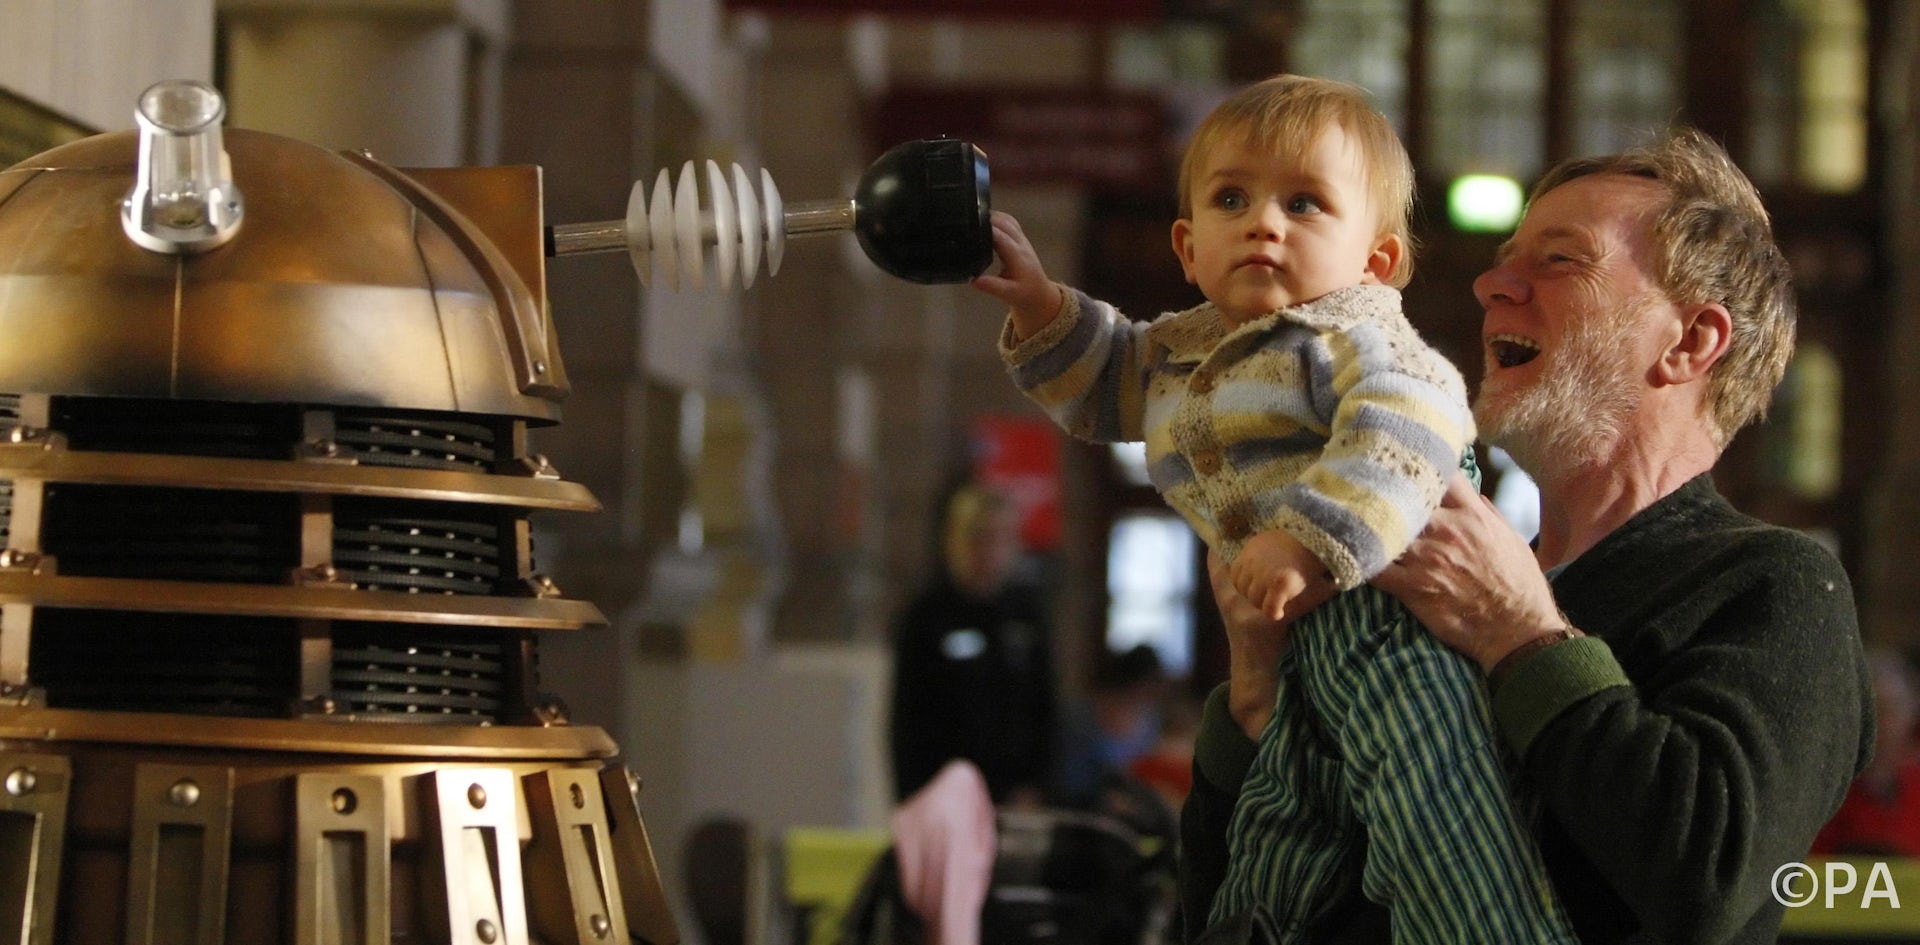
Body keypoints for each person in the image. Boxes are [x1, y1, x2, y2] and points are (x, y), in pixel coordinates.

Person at [1186, 127, 1875, 944]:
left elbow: (1709, 880)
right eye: (1506, 257)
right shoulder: (1432, 581)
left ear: (1690, 342)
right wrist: (1257, 698)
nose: (1490, 284)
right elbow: (1226, 909)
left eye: (1558, 260)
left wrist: (1520, 633)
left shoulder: (1773, 585)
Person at [975, 74, 1573, 942]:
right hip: (1290, 646)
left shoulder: (1356, 340)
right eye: (1231, 198)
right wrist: (1037, 305)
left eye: (1305, 202)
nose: (1264, 221)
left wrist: (1305, 541)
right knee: (1282, 836)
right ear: (1188, 246)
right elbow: (1104, 382)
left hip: (1391, 627)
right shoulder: (1182, 351)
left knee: (1436, 822)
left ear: (1377, 262)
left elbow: (1414, 426)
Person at [890, 480, 1058, 806]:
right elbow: (908, 718)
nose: (991, 550)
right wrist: (914, 796)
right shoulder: (928, 615)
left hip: (1013, 794)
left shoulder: (1027, 614)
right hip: (943, 791)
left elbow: (1045, 708)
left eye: (1003, 538)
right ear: (957, 540)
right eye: (981, 537)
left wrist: (1039, 786)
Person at [1812, 648, 1920, 857]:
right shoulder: (1824, 799)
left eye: (1894, 710)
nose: (1885, 725)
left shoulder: (1916, 785)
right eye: (1876, 712)